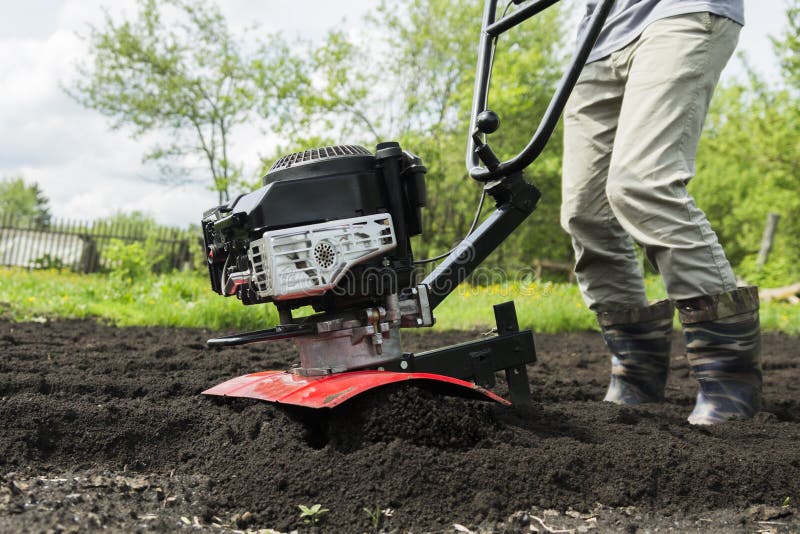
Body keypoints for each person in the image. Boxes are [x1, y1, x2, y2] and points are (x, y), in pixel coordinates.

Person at [561, 0, 760, 425]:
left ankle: (728, 382)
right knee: (585, 213)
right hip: (598, 37)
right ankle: (637, 375)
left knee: (641, 183)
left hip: (679, 10)